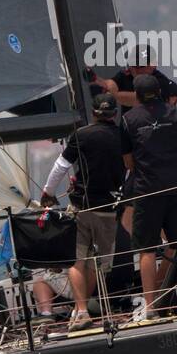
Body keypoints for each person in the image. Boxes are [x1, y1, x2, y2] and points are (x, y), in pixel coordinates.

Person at [120, 73, 177, 319]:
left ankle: (150, 307)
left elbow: (128, 163)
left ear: (137, 96)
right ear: (159, 92)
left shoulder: (128, 119)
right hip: (176, 189)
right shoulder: (176, 114)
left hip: (147, 191)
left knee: (147, 250)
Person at [40, 92, 127, 331]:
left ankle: (81, 311)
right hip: (109, 208)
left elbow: (61, 166)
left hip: (82, 207)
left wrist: (47, 193)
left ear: (93, 113)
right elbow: (128, 167)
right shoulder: (122, 135)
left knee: (76, 260)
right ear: (115, 114)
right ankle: (85, 308)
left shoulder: (82, 135)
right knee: (97, 265)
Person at [103, 44, 177, 108]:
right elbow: (109, 84)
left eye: (140, 66)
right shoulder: (126, 75)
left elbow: (139, 99)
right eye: (133, 65)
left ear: (153, 65)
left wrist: (114, 96)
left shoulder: (160, 81)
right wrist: (107, 85)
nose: (135, 70)